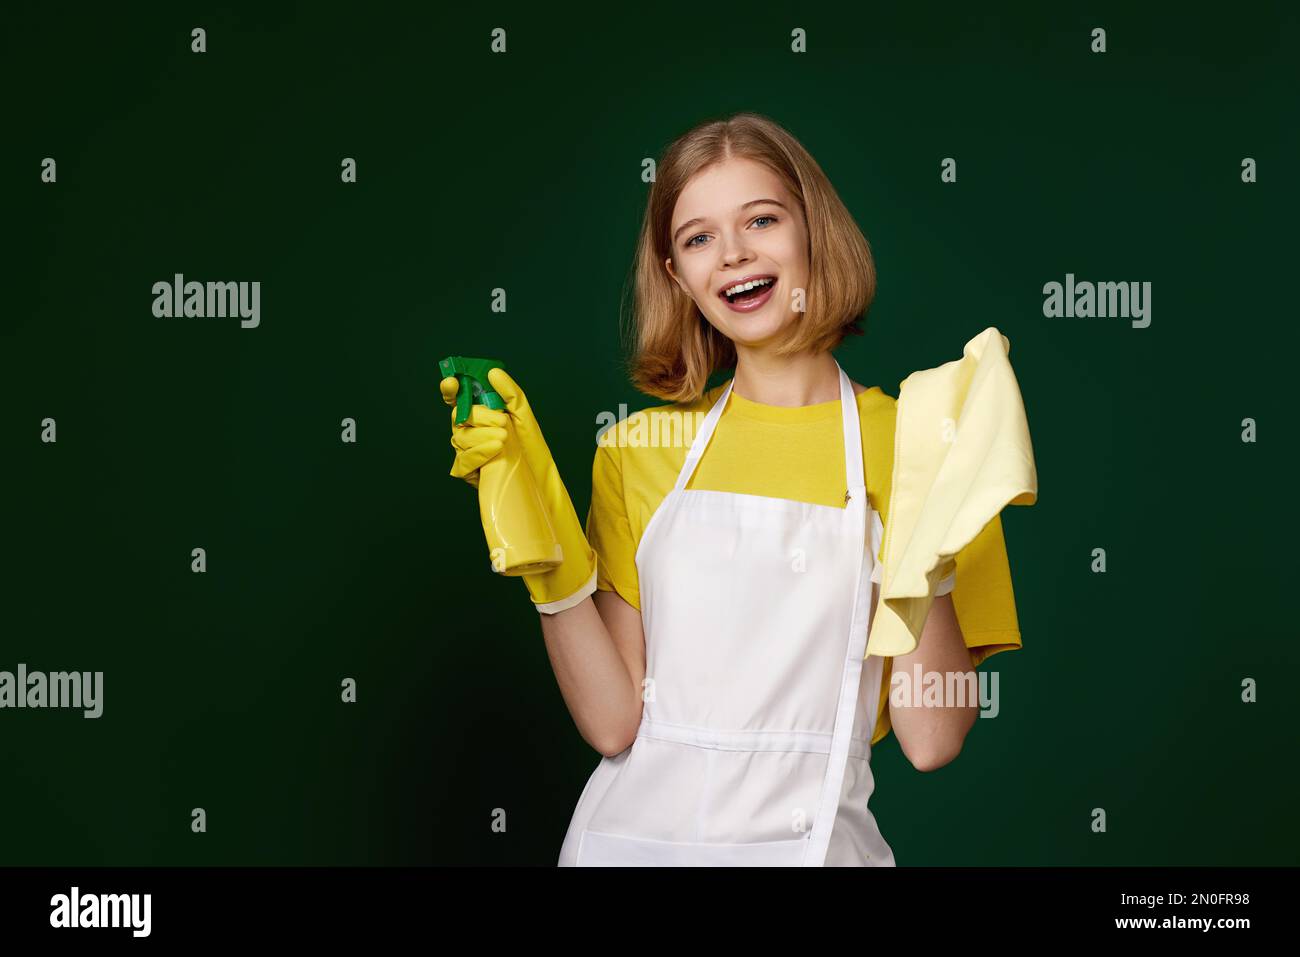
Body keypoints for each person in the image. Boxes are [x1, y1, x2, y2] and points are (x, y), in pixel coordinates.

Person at [442, 112, 1023, 866]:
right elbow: (615, 723)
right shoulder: (638, 451)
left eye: (761, 218)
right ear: (677, 274)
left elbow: (931, 737)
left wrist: (932, 546)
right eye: (698, 237)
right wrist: (549, 561)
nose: (735, 253)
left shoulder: (922, 440)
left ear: (815, 231)